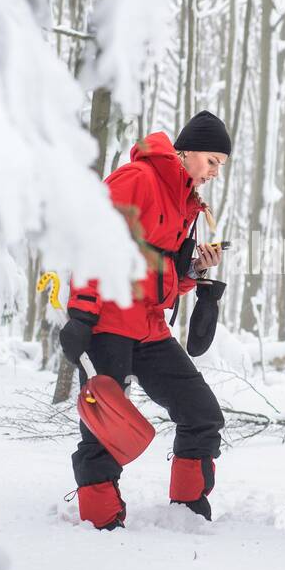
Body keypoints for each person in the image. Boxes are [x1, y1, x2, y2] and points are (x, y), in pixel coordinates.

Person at [60, 110, 231, 530]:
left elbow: (160, 275)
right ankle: (101, 521)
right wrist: (82, 312)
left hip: (150, 328)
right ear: (185, 151)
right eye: (211, 161)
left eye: (220, 167)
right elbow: (91, 240)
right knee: (106, 427)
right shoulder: (136, 178)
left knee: (201, 412)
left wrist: (193, 271)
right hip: (108, 322)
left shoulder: (184, 203)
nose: (213, 173)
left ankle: (188, 508)